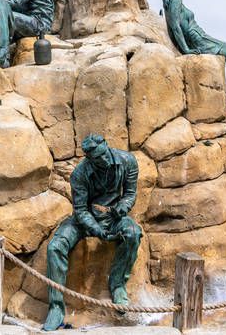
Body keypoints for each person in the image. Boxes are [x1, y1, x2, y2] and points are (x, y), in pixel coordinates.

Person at [43, 134, 141, 331]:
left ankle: (118, 285)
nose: (103, 160)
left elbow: (130, 194)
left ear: (107, 146)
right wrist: (95, 229)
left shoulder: (128, 161)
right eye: (97, 158)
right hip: (83, 220)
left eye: (104, 154)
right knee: (55, 247)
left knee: (133, 233)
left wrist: (122, 207)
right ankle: (55, 307)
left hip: (114, 217)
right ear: (89, 158)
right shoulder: (79, 174)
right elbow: (80, 210)